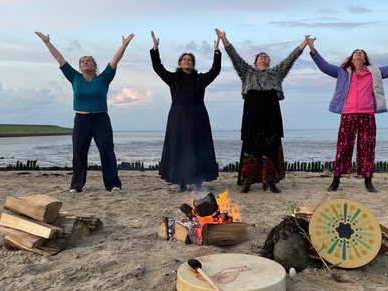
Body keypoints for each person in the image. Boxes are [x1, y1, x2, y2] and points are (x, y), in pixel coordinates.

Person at [307, 37, 388, 192]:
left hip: (367, 115)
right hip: (348, 115)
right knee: (343, 148)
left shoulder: (375, 72)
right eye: (356, 52)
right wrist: (313, 50)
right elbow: (324, 66)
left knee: (367, 148)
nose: (359, 54)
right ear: (351, 58)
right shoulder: (342, 72)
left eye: (361, 53)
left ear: (365, 58)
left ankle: (368, 181)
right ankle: (336, 180)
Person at [35, 31, 134, 193]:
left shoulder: (103, 78)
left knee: (107, 152)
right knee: (79, 153)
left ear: (94, 66)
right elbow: (60, 59)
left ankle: (113, 184)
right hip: (81, 121)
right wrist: (47, 42)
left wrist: (124, 45)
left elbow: (115, 61)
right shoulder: (75, 77)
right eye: (82, 62)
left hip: (101, 119)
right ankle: (76, 185)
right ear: (80, 67)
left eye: (89, 61)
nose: (86, 63)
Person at [215, 28, 311, 193]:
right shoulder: (247, 72)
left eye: (266, 56)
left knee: (271, 145)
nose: (264, 58)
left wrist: (304, 43)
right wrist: (224, 39)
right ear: (255, 61)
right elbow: (234, 57)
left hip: (271, 114)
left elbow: (290, 59)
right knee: (250, 145)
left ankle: (271, 182)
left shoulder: (277, 73)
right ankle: (247, 183)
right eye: (261, 56)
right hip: (252, 114)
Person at [150, 31, 221, 192]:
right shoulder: (172, 78)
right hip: (178, 116)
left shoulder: (201, 79)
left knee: (199, 147)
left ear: (193, 64)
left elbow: (215, 71)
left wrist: (216, 51)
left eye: (189, 60)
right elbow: (158, 67)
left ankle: (198, 181)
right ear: (180, 64)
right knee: (179, 148)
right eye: (184, 59)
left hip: (198, 116)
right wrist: (155, 49)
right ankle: (181, 181)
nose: (187, 61)